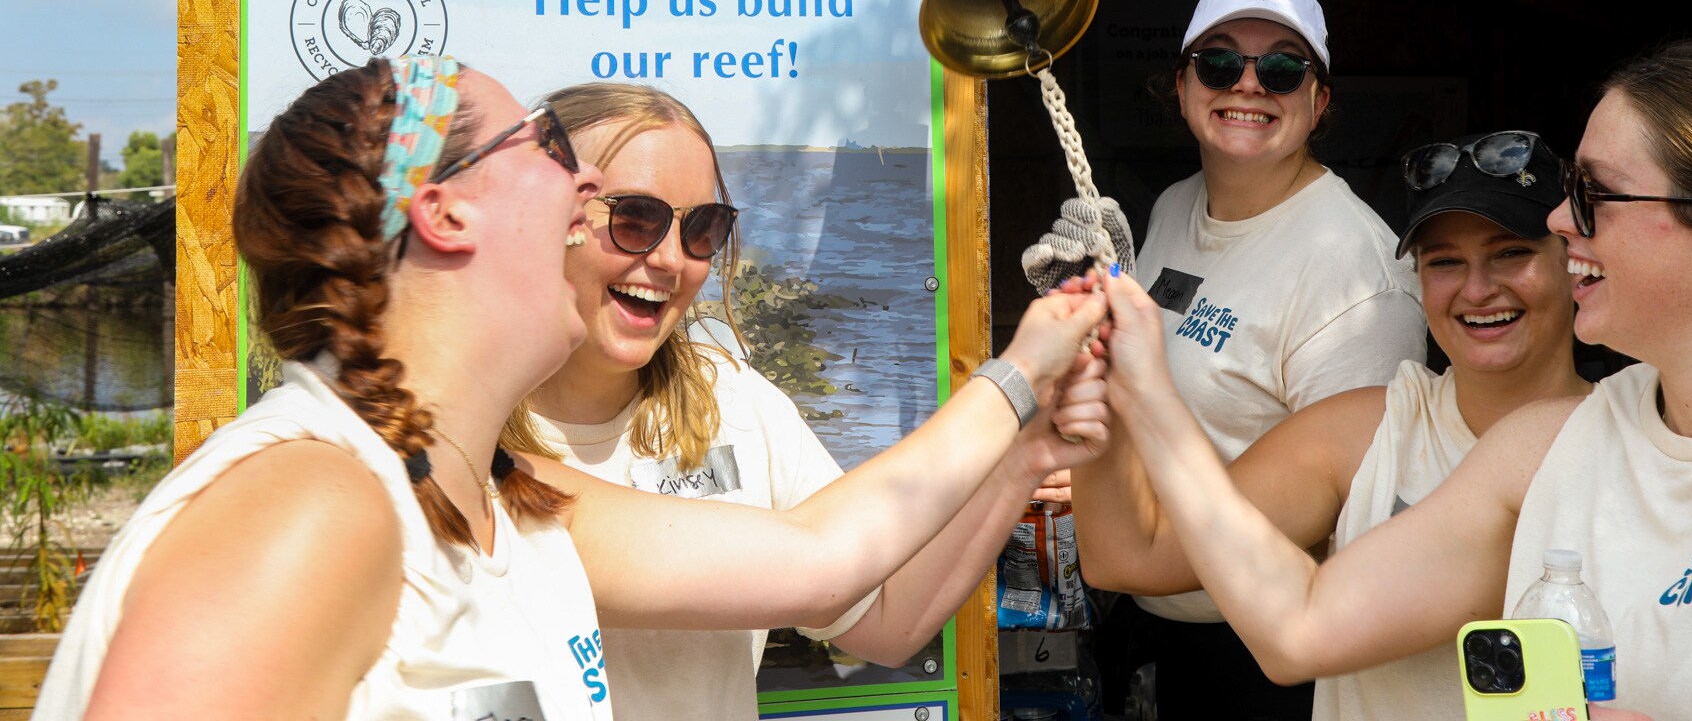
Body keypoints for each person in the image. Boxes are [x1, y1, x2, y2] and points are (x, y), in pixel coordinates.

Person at [39, 57, 1110, 721]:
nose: (588, 184)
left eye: (706, 228)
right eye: (548, 146)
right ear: (442, 209)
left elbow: (832, 561)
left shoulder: (508, 499)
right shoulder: (312, 504)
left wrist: (1030, 368)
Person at [1093, 41, 1692, 720]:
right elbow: (1297, 630)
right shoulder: (1553, 442)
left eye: (1594, 196)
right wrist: (1130, 376)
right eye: (1568, 195)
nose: (1564, 223)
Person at [505, 81, 1104, 719]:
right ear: (547, 216)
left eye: (703, 228)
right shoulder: (469, 451)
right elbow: (823, 565)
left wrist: (1026, 457)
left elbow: (882, 621)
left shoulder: (729, 396)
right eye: (634, 219)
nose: (671, 259)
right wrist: (1019, 374)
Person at [1074, 130, 1590, 720]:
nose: (1477, 288)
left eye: (1511, 253)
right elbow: (1128, 554)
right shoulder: (1361, 433)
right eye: (1445, 261)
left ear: (1577, 262)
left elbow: (1296, 631)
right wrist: (1095, 351)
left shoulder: (1633, 437)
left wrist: (1147, 388)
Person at [1024, 0, 1425, 721]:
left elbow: (1350, 524)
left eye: (1282, 68)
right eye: (1218, 63)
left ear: (1320, 100)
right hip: (1156, 633)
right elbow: (1148, 395)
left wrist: (1110, 499)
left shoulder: (1360, 278)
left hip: (1272, 665)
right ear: (1180, 88)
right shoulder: (1177, 206)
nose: (1248, 84)